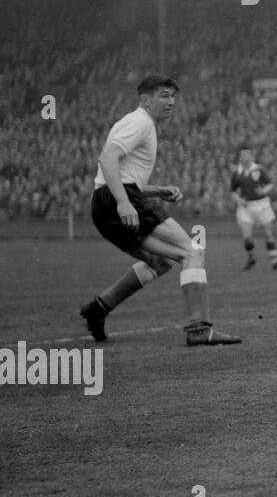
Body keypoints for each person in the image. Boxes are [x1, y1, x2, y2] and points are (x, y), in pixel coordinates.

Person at [78, 75, 241, 346]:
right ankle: (199, 329)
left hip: (105, 206)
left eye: (173, 96)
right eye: (164, 95)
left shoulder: (144, 124)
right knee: (192, 250)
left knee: (161, 262)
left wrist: (158, 190)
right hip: (116, 200)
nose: (170, 101)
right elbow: (107, 159)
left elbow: (123, 174)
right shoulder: (139, 121)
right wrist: (123, 201)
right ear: (145, 99)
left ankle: (97, 309)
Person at [230, 144, 277, 270]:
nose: (245, 157)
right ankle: (251, 258)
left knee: (269, 235)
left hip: (262, 205)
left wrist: (264, 191)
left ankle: (275, 262)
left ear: (251, 156)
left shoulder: (259, 169)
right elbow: (232, 191)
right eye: (242, 155)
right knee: (247, 237)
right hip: (246, 207)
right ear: (240, 158)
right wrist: (239, 200)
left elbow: (270, 184)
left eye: (247, 155)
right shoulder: (237, 173)